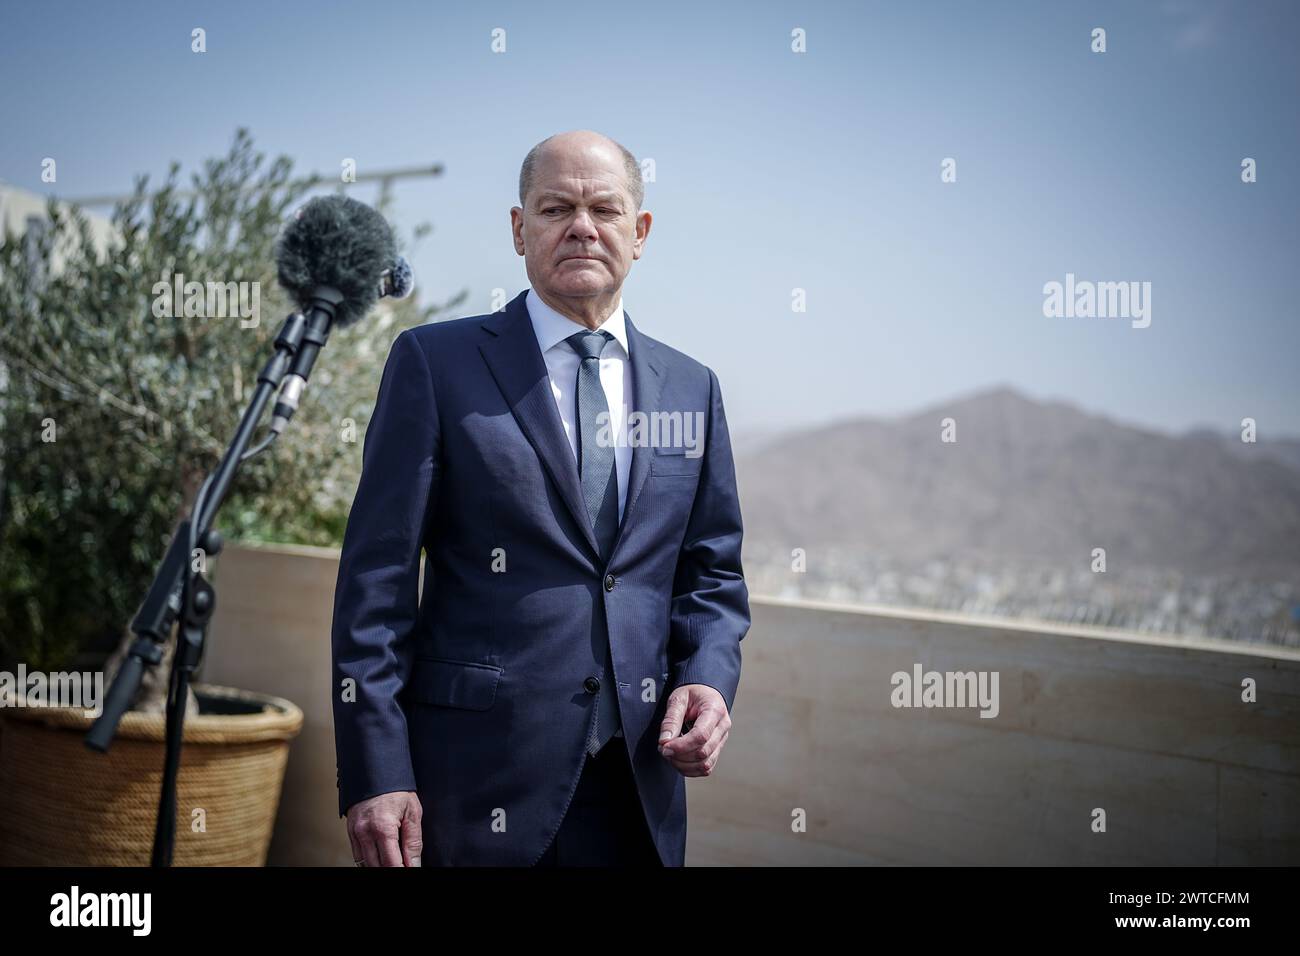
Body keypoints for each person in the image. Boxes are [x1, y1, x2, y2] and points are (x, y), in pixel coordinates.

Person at [331, 129, 749, 866]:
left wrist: (709, 682)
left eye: (605, 209)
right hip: (470, 788)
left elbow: (711, 576)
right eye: (556, 207)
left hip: (638, 793)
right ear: (520, 228)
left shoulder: (694, 387)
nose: (582, 226)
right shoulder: (435, 364)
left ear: (639, 232)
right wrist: (377, 770)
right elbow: (376, 584)